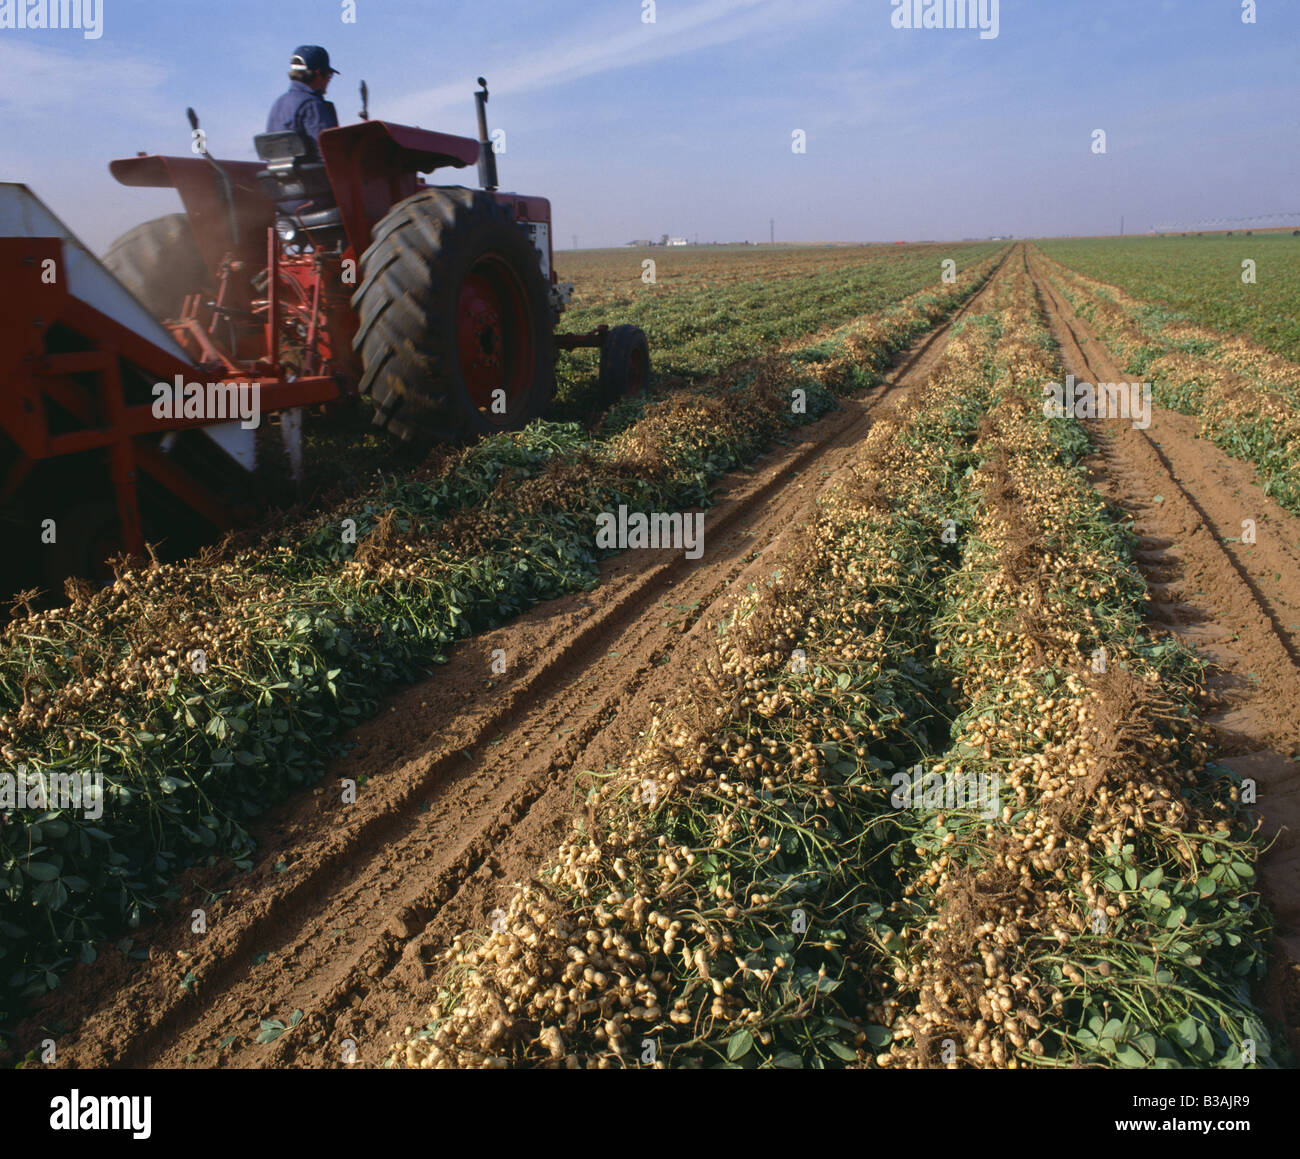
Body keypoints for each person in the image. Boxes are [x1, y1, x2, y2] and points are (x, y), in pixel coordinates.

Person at [266, 45, 340, 160]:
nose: (329, 80)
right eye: (329, 75)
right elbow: (329, 152)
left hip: (280, 177)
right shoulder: (312, 105)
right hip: (313, 176)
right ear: (319, 73)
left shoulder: (278, 104)